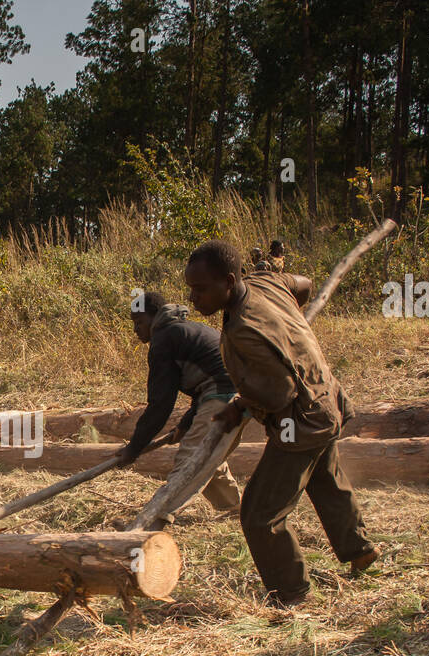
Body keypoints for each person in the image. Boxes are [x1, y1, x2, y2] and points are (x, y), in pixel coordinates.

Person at [184, 239, 378, 607]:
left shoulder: (244, 328)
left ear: (228, 281)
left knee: (260, 513)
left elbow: (279, 392)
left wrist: (240, 405)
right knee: (325, 480)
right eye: (191, 289)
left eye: (201, 289)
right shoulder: (266, 283)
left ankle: (291, 594)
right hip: (326, 398)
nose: (194, 298)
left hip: (301, 421)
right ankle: (360, 551)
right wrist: (289, 324)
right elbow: (302, 284)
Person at [116, 292, 241, 529]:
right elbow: (201, 390)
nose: (135, 329)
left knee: (192, 457)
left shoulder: (164, 339)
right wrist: (183, 426)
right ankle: (234, 509)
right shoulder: (185, 331)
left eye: (139, 322)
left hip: (223, 396)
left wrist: (134, 449)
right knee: (208, 452)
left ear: (154, 318)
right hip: (236, 394)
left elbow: (160, 405)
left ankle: (150, 524)